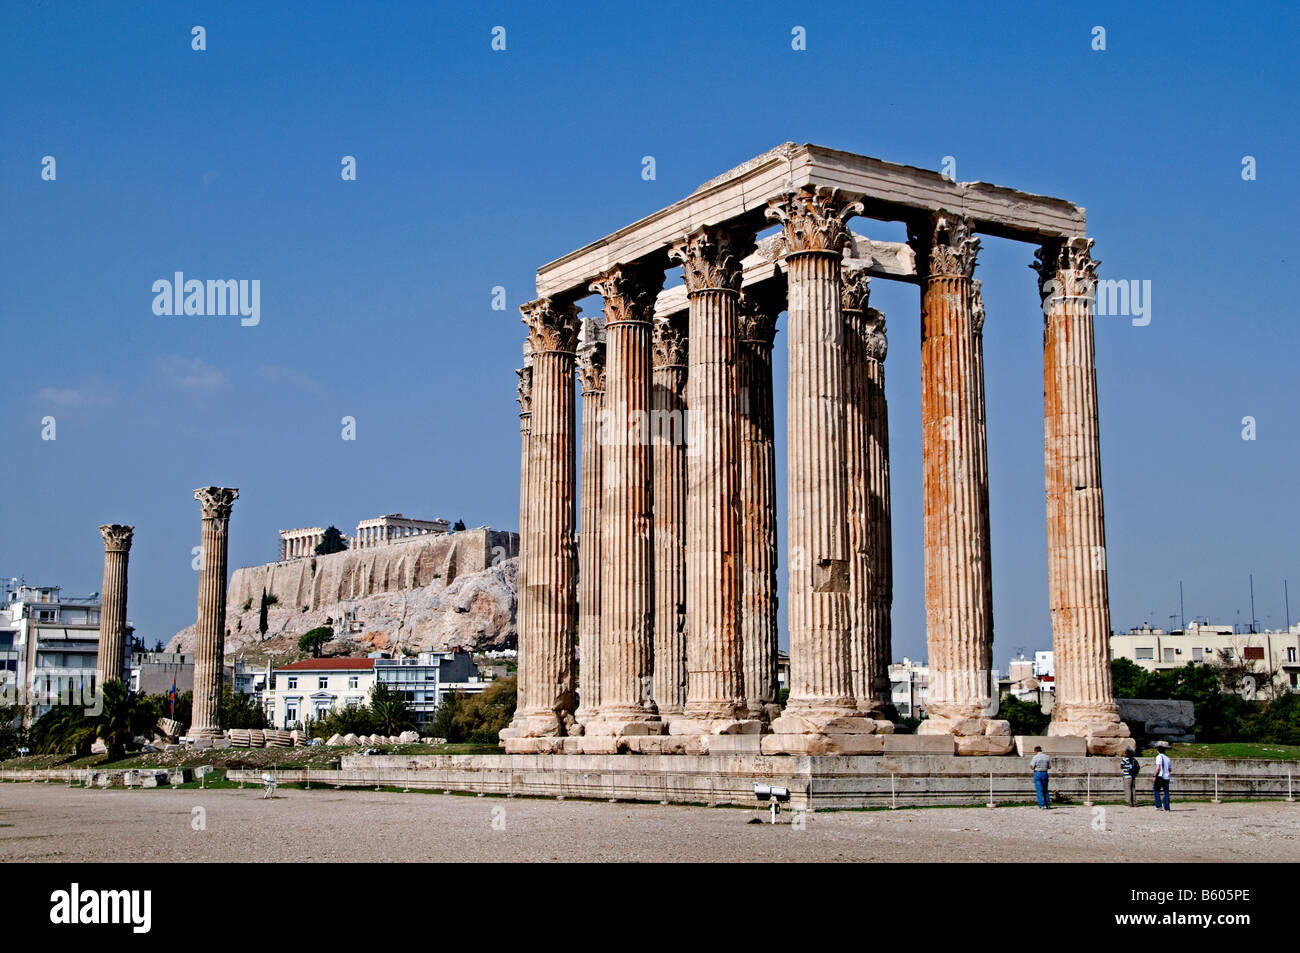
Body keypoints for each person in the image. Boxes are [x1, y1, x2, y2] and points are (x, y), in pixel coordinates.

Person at [1153, 743, 1173, 811]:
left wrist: (1154, 775)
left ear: (1158, 751)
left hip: (1160, 776)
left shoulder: (1159, 757)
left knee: (1156, 790)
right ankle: (1167, 808)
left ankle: (1159, 805)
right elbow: (1170, 769)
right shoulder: (1168, 758)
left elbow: (1158, 767)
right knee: (1166, 792)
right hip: (1166, 777)